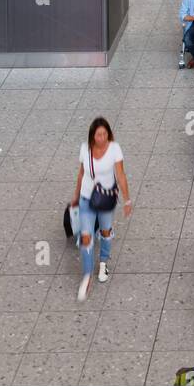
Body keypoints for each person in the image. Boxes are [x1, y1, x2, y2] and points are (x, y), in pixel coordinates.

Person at [71, 116, 131, 301]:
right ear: (92, 136)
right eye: (99, 135)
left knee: (105, 231)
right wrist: (75, 195)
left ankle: (104, 261)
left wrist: (127, 200)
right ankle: (87, 275)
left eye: (105, 134)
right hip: (86, 198)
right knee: (86, 235)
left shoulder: (114, 149)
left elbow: (120, 175)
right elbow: (81, 173)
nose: (102, 138)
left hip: (105, 199)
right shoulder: (85, 150)